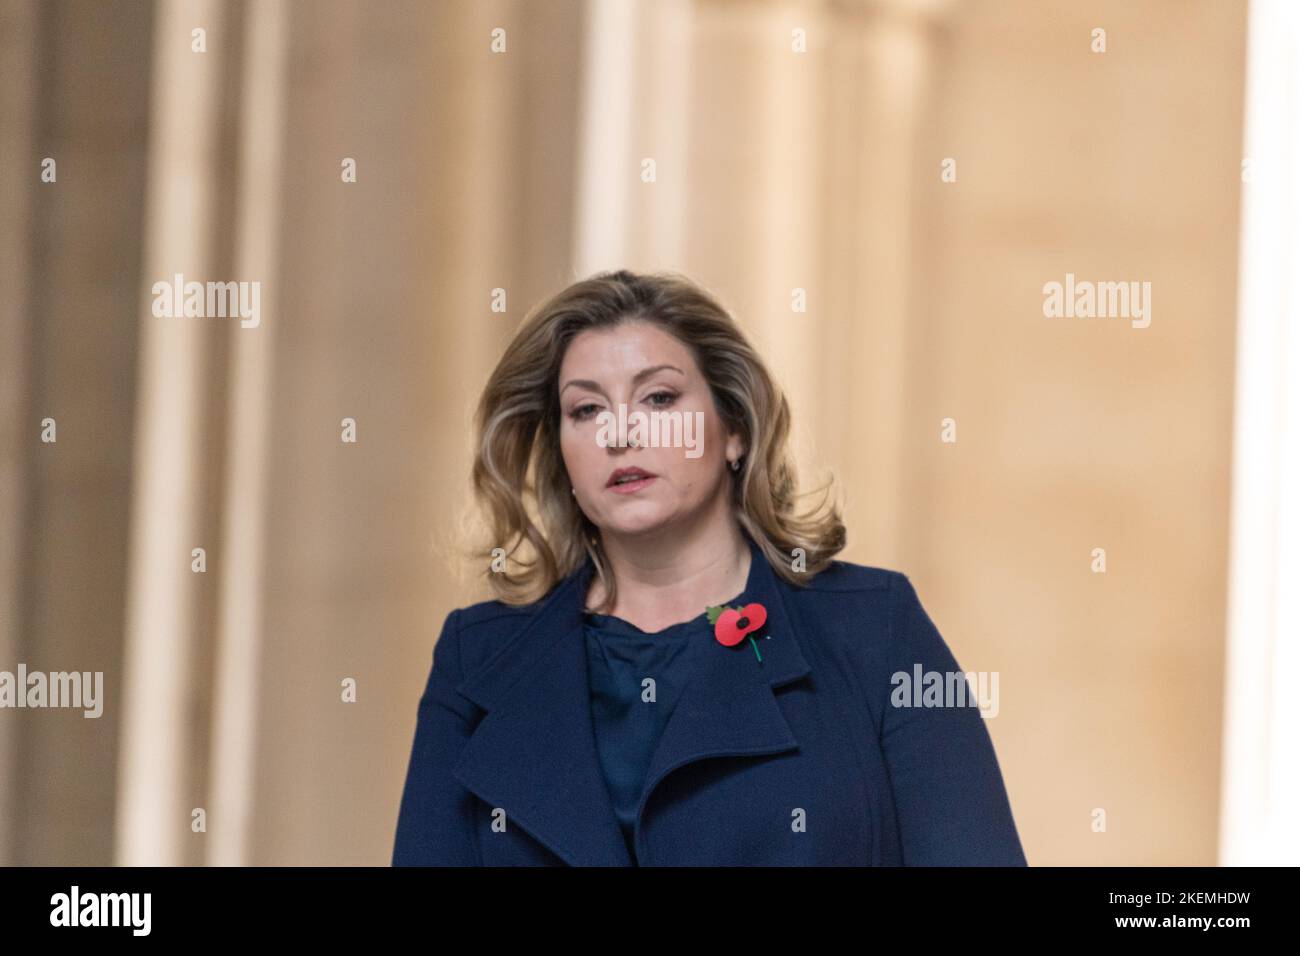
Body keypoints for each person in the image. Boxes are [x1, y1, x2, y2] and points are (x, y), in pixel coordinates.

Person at [392, 268, 1027, 866]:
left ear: (735, 430)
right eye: (586, 410)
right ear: (560, 453)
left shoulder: (873, 627)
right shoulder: (478, 657)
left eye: (659, 398)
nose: (619, 434)